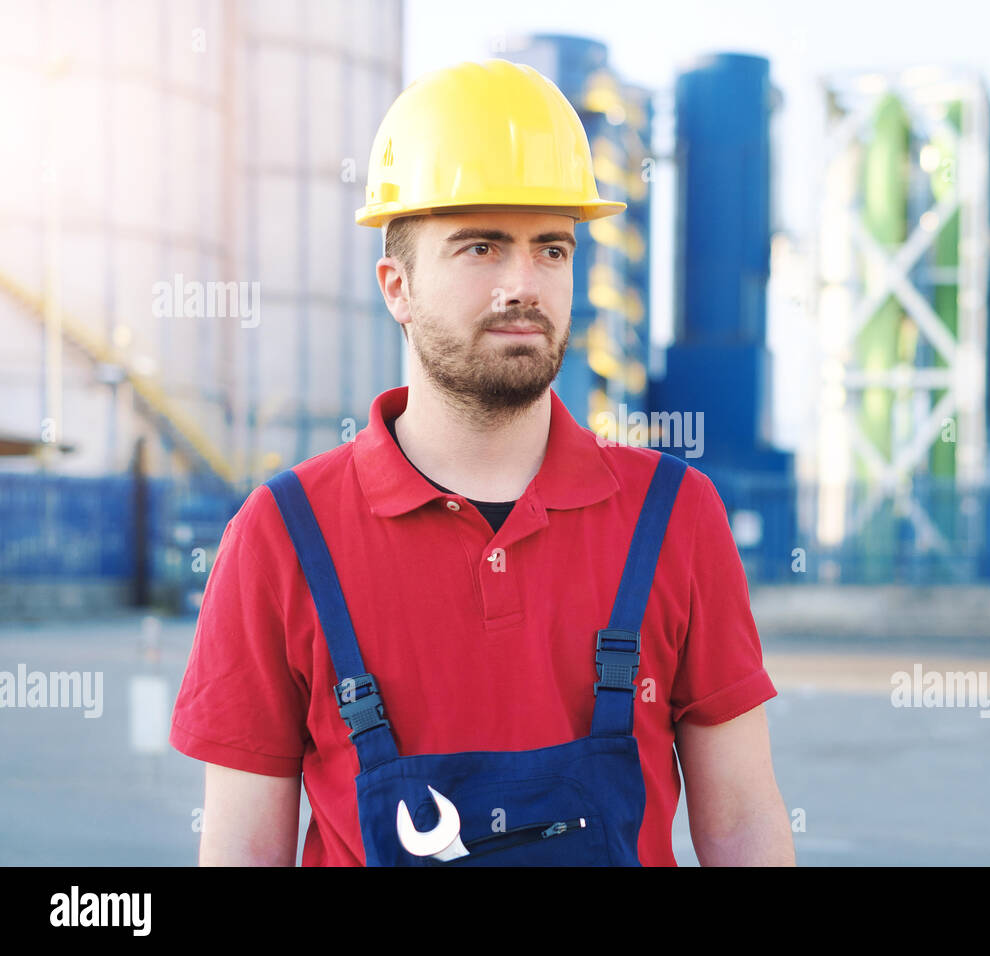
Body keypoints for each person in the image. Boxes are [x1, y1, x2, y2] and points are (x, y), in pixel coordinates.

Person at [169, 58, 794, 866]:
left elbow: (743, 825)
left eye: (552, 250)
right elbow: (242, 854)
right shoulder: (283, 537)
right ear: (397, 286)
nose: (523, 285)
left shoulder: (674, 515)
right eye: (481, 248)